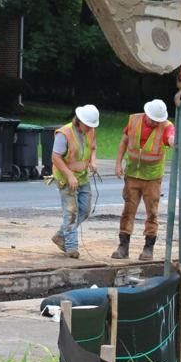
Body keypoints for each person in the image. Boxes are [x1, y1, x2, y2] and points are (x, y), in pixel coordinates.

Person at [111, 99, 176, 261]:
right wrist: (118, 164)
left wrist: (174, 141)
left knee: (152, 213)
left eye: (157, 120)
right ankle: (123, 246)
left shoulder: (167, 126)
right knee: (128, 211)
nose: (154, 123)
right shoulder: (134, 120)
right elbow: (124, 141)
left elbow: (170, 138)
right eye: (152, 119)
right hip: (132, 174)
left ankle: (148, 248)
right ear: (146, 114)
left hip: (152, 178)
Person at [51, 104, 99, 259]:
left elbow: (92, 148)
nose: (90, 128)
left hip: (82, 176)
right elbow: (55, 157)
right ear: (79, 121)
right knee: (71, 211)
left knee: (84, 210)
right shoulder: (64, 133)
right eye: (88, 125)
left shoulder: (91, 131)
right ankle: (71, 247)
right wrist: (69, 175)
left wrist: (93, 161)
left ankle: (60, 235)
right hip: (66, 178)